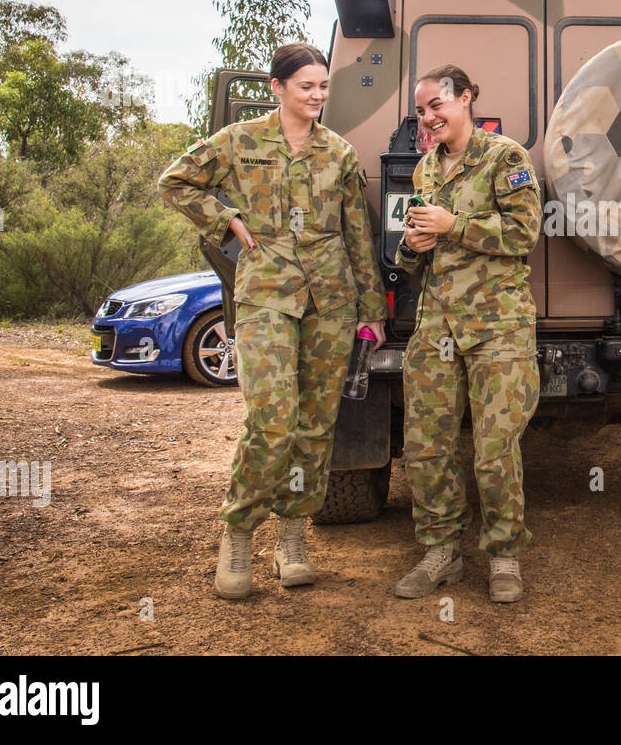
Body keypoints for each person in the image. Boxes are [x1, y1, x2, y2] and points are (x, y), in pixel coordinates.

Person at [158, 42, 387, 600]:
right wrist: (228, 219)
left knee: (314, 426)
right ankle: (238, 535)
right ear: (277, 87)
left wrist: (373, 309)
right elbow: (176, 181)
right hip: (266, 296)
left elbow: (358, 233)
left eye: (323, 87)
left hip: (330, 302)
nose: (317, 96)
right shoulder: (239, 142)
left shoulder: (339, 153)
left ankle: (292, 539)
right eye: (306, 86)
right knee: (272, 419)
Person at [393, 64, 542, 603]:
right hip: (436, 323)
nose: (428, 117)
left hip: (496, 323)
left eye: (437, 105)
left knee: (495, 447)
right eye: (421, 110)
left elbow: (526, 233)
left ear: (466, 99)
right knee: (426, 444)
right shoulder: (424, 169)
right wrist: (411, 247)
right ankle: (441, 552)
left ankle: (503, 555)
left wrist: (453, 226)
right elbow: (414, 243)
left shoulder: (506, 158)